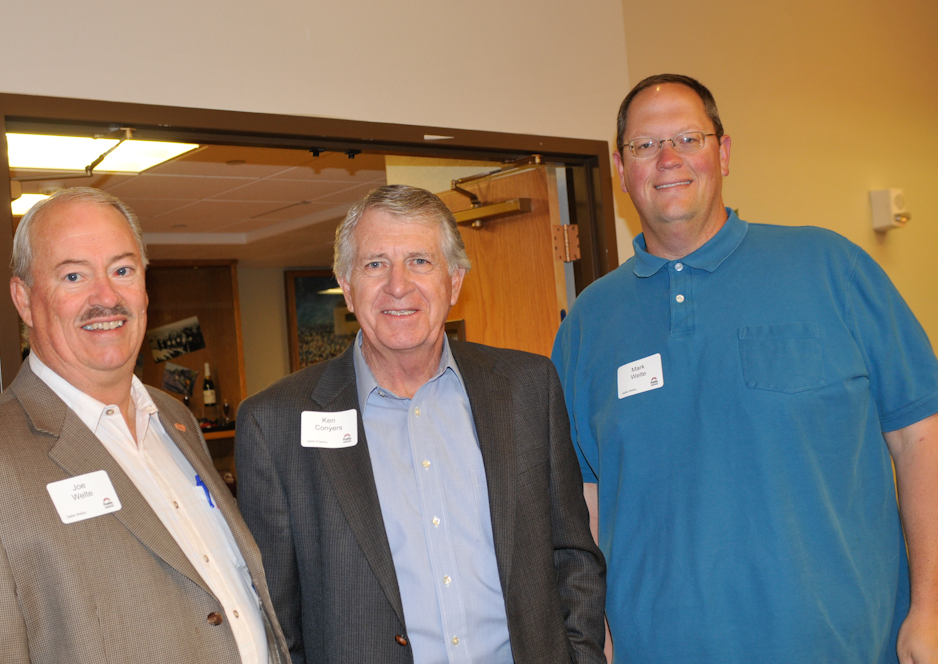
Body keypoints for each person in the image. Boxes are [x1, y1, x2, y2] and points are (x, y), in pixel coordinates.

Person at [552, 73, 938, 664]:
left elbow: (920, 438)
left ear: (724, 153)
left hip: (847, 646)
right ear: (621, 170)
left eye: (688, 138)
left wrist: (930, 607)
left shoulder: (831, 269)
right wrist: (595, 637)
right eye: (645, 145)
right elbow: (583, 501)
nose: (668, 158)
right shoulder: (589, 322)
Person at [237, 184, 607, 664]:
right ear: (347, 286)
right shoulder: (275, 424)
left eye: (420, 261)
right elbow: (275, 622)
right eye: (375, 264)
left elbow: (573, 556)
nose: (398, 285)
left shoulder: (528, 388)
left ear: (454, 281)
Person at [0, 188, 290, 664]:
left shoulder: (174, 419)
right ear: (23, 299)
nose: (106, 297)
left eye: (122, 270)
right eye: (74, 275)